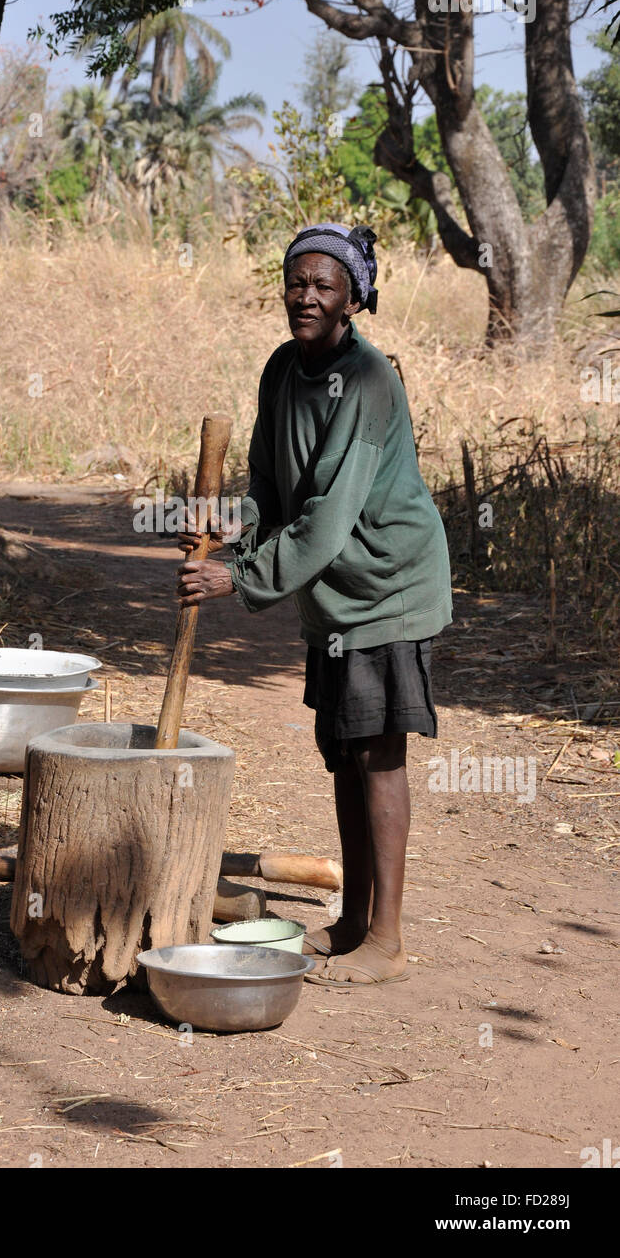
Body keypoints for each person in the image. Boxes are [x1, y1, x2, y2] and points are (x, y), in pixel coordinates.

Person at [176, 222, 452, 986]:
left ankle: (388, 942)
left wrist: (238, 579)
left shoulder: (368, 381)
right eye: (296, 282)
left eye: (323, 286)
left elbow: (327, 520)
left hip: (387, 585)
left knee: (379, 755)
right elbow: (270, 487)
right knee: (343, 754)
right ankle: (354, 920)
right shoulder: (281, 369)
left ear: (352, 300)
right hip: (333, 596)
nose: (306, 296)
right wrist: (227, 530)